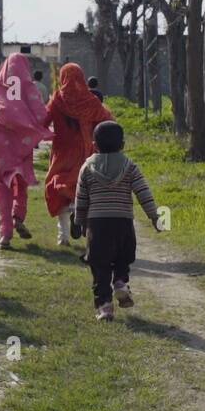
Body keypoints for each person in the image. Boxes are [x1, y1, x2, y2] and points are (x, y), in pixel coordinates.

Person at [74, 121, 161, 322]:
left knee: (100, 265)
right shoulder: (130, 166)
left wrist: (79, 221)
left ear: (94, 145)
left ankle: (105, 306)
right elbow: (143, 193)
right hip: (123, 223)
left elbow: (81, 198)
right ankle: (121, 283)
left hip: (97, 224)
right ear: (122, 144)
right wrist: (154, 216)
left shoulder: (87, 167)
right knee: (122, 258)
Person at [0, 53, 54, 249]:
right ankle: (18, 215)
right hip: (21, 148)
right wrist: (45, 129)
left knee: (1, 188)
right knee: (20, 182)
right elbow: (42, 113)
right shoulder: (28, 90)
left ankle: (5, 234)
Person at [44, 63, 113, 246]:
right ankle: (80, 212)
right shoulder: (91, 101)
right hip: (86, 151)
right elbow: (109, 121)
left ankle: (63, 237)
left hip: (62, 151)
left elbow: (42, 121)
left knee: (58, 186)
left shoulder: (57, 99)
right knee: (84, 188)